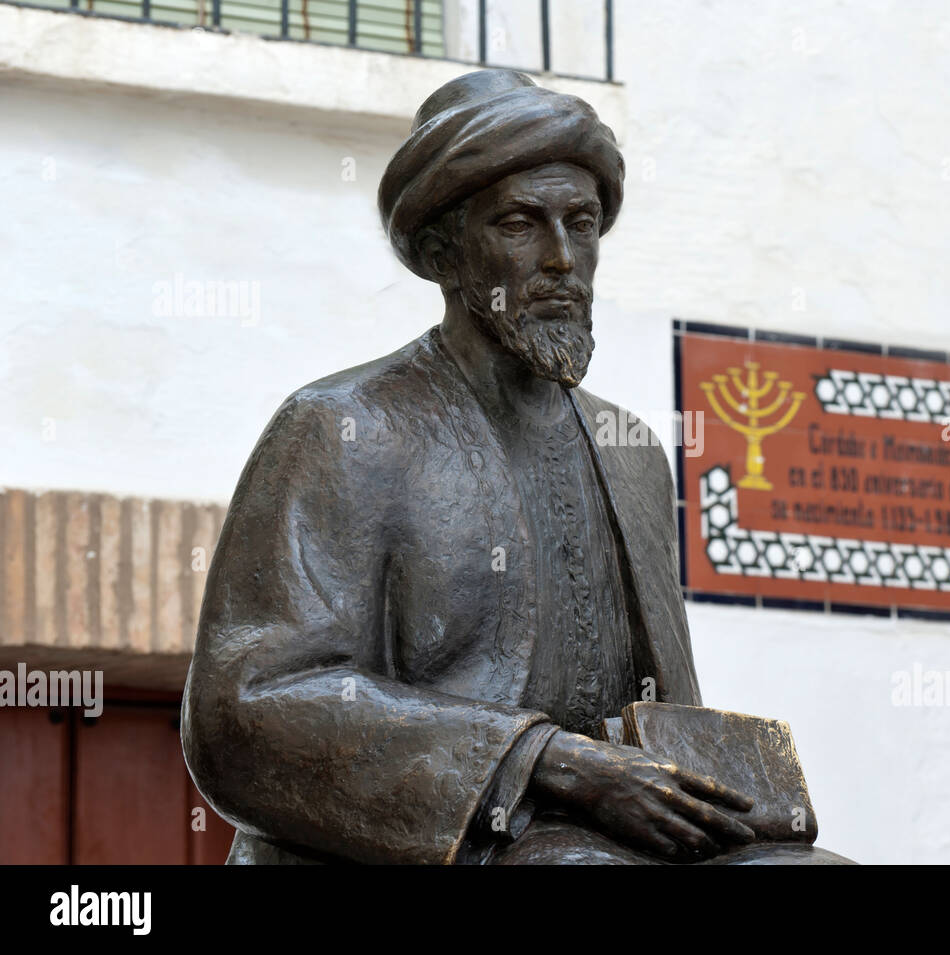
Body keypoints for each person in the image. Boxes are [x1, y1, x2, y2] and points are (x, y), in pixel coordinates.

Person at [181, 69, 850, 865]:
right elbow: (245, 711)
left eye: (583, 223)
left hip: (610, 841)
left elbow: (667, 711)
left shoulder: (630, 451)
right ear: (442, 252)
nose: (563, 258)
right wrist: (545, 761)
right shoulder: (344, 429)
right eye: (521, 224)